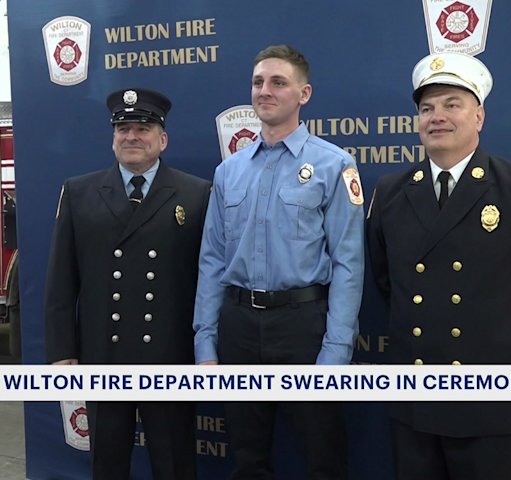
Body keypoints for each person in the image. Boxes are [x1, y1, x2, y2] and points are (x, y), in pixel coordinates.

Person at [366, 53, 511, 480]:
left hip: (491, 395)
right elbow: (385, 278)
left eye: (451, 104)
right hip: (415, 394)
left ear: (478, 116)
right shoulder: (390, 192)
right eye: (426, 108)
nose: (437, 117)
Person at [193, 44, 365, 479]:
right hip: (238, 329)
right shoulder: (229, 171)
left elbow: (348, 263)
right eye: (257, 82)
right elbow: (212, 260)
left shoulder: (334, 165)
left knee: (323, 457)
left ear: (303, 94)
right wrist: (206, 344)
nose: (264, 91)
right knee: (248, 460)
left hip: (303, 328)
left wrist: (335, 354)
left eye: (277, 82)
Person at [44, 87, 211, 480]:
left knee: (174, 463)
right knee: (108, 462)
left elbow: (209, 283)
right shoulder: (80, 192)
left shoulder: (197, 193)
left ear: (163, 139)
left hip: (170, 355)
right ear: (112, 137)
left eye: (143, 127)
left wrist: (207, 347)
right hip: (105, 353)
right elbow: (61, 281)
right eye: (123, 128)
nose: (132, 136)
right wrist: (62, 350)